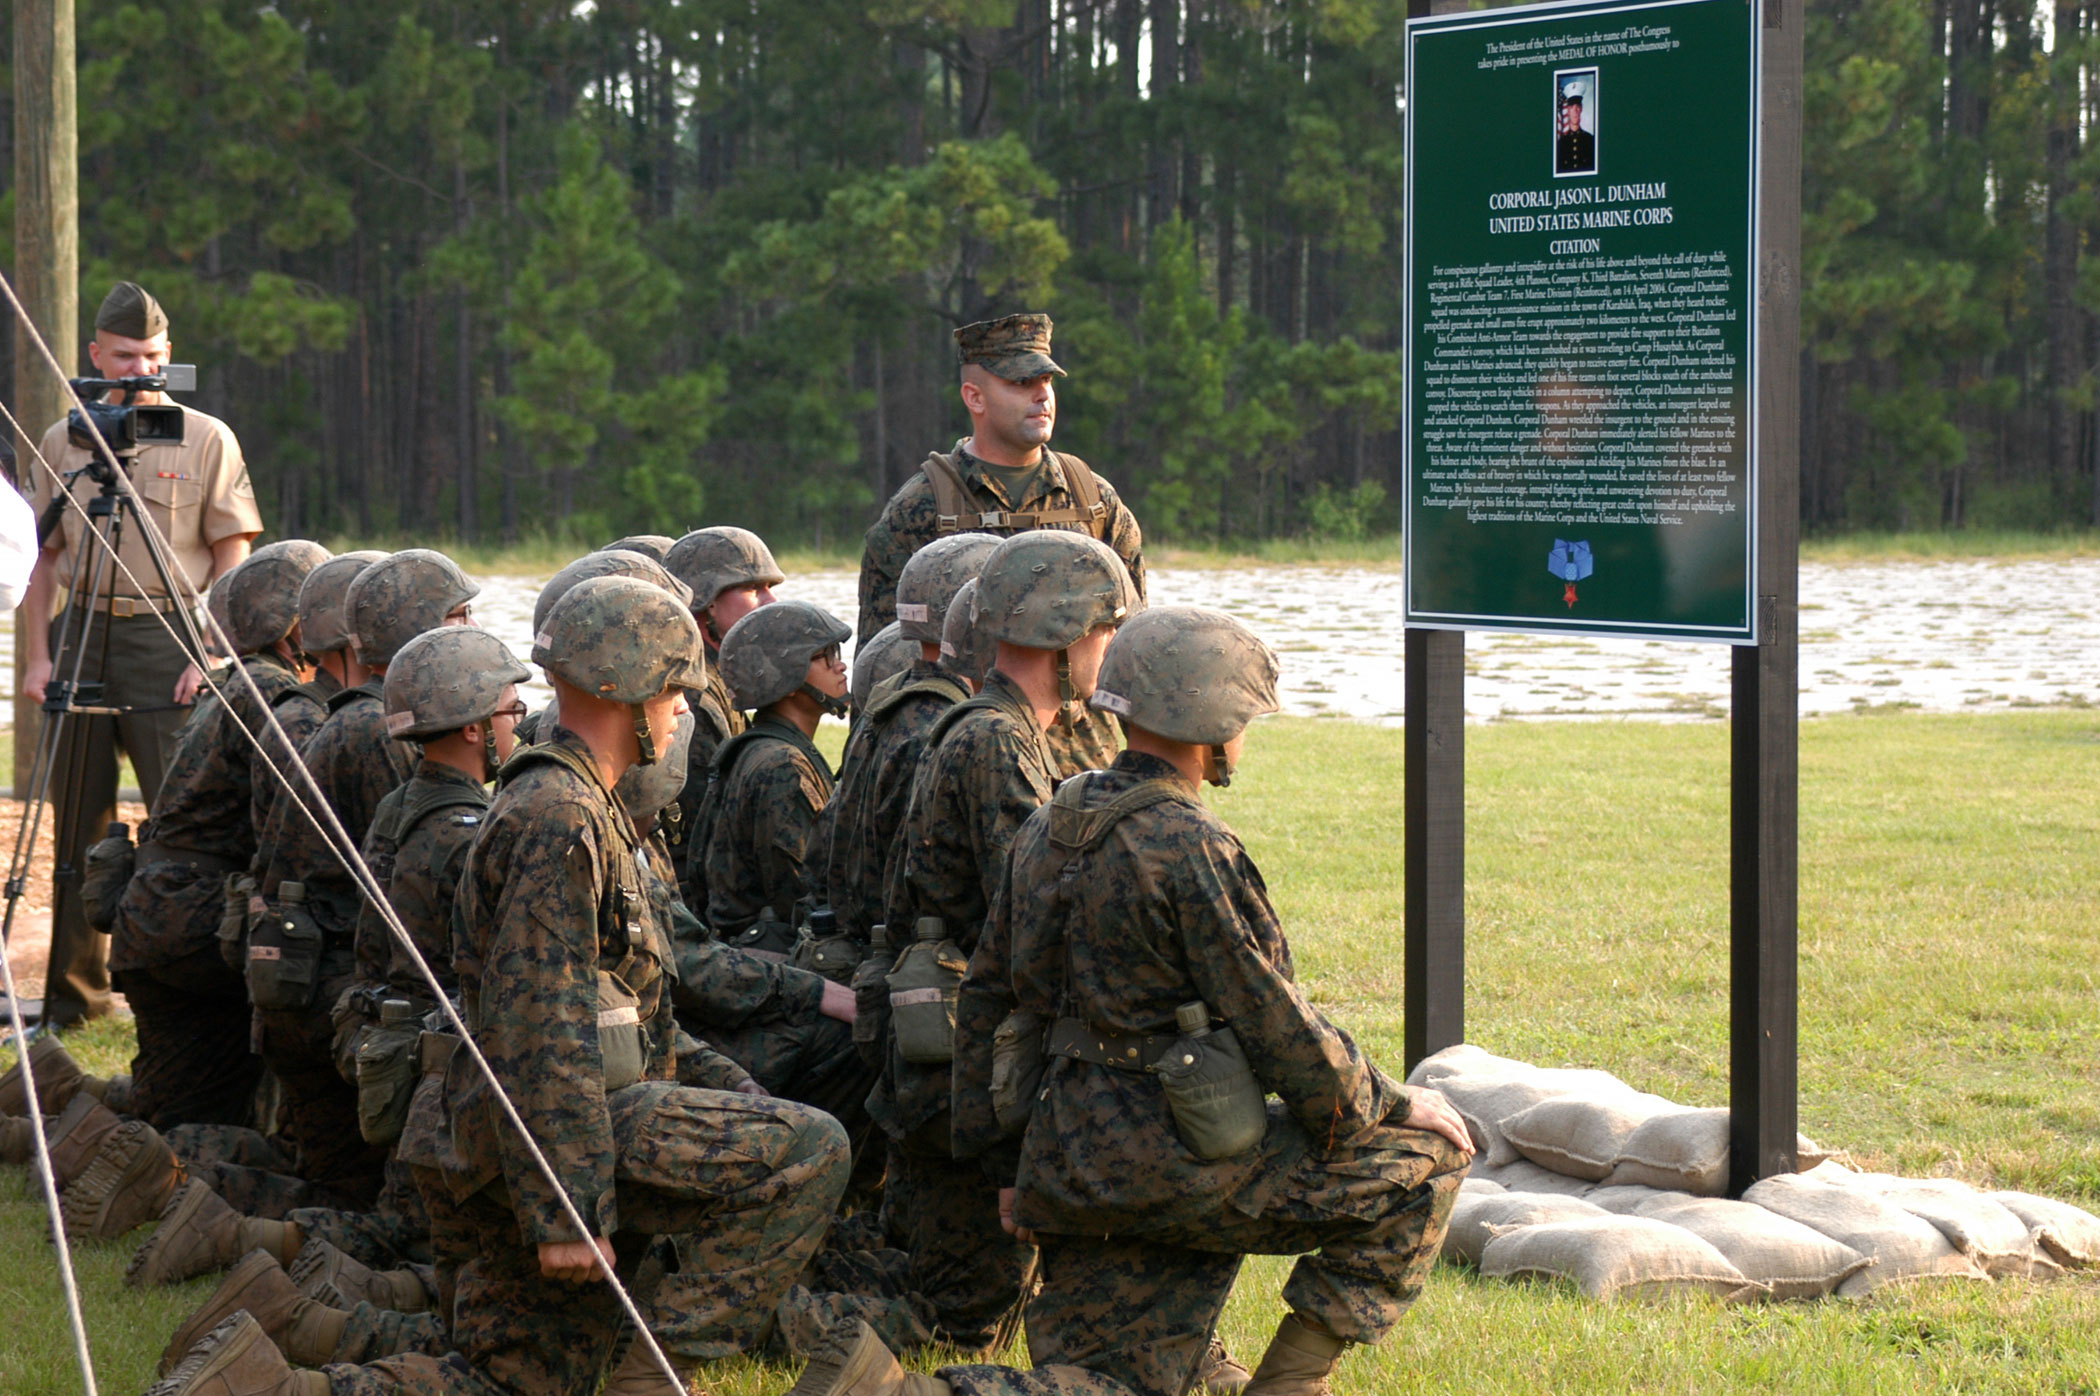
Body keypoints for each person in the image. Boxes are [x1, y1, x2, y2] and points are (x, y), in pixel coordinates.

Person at [153, 574, 852, 1396]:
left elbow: (621, 1009)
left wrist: (733, 1092)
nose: (677, 713)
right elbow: (542, 1028)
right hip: (527, 1150)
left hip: (505, 1140)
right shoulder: (559, 818)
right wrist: (570, 1210)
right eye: (672, 693)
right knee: (812, 1149)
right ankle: (654, 1380)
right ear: (624, 692)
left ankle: (260, 1385)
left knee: (517, 1381)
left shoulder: (560, 801)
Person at [791, 608, 1475, 1396]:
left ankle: (896, 1394)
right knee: (1431, 1163)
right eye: (1244, 718)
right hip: (1179, 1160)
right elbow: (1276, 1024)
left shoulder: (1050, 824)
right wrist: (1389, 1101)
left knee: (1113, 1385)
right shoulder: (1192, 846)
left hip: (1067, 1161)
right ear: (1210, 723)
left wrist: (1010, 1169)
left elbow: (985, 1004)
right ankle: (1291, 1384)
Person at [790, 532, 1135, 1362]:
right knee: (960, 1317)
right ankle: (788, 1327)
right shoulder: (993, 742)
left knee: (952, 1286)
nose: (1110, 651)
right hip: (962, 1062)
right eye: (1104, 630)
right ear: (1062, 635)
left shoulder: (994, 729)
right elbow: (1040, 915)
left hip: (947, 1052)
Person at [21, 280, 264, 1029]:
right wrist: (36, 657)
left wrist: (214, 655)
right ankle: (75, 999)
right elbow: (42, 560)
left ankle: (192, 998)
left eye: (153, 357)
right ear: (94, 355)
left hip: (173, 639)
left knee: (187, 822)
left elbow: (235, 557)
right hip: (85, 632)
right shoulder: (65, 439)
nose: (139, 371)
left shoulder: (206, 438)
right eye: (124, 357)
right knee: (78, 827)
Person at [253, 550, 477, 1209]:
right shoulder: (380, 729)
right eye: (457, 618)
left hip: (307, 976)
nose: (470, 633)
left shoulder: (361, 717)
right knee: (367, 1203)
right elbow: (421, 875)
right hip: (327, 989)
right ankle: (205, 1211)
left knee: (324, 1173)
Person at [855, 313, 1145, 777]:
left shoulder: (1094, 501)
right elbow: (884, 663)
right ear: (975, 397)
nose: (1042, 394)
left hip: (1086, 772)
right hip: (970, 771)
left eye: (1047, 379)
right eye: (1021, 382)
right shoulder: (923, 509)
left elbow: (1135, 646)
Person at [106, 540, 330, 1130]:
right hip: (198, 926)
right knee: (215, 1126)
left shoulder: (228, 685)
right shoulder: (279, 701)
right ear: (295, 628)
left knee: (172, 1098)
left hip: (157, 913)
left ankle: (53, 1108)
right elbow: (291, 833)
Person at [661, 525, 784, 903]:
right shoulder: (692, 696)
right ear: (705, 603)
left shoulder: (716, 677)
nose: (770, 602)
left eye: (770, 587)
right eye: (752, 589)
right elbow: (706, 834)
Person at [1556, 80, 1595, 175]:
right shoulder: (1560, 143)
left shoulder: (1591, 140)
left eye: (1577, 106)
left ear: (1581, 108)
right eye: (1572, 107)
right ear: (1567, 110)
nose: (1575, 111)